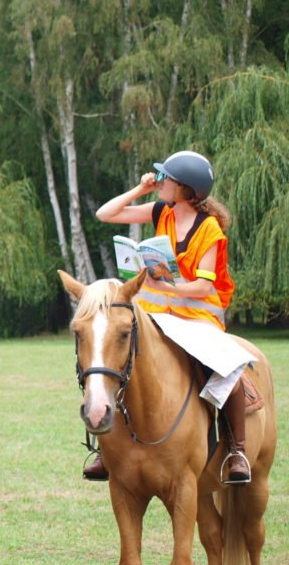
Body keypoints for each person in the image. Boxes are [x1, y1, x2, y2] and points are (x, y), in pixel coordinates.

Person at [90, 150, 250, 485]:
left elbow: (203, 288)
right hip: (156, 311)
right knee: (111, 358)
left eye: (166, 179)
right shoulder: (161, 209)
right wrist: (139, 190)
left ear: (186, 189)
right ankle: (106, 447)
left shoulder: (210, 229)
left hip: (196, 315)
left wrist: (165, 281)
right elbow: (105, 214)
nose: (160, 181)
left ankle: (237, 450)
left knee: (226, 369)